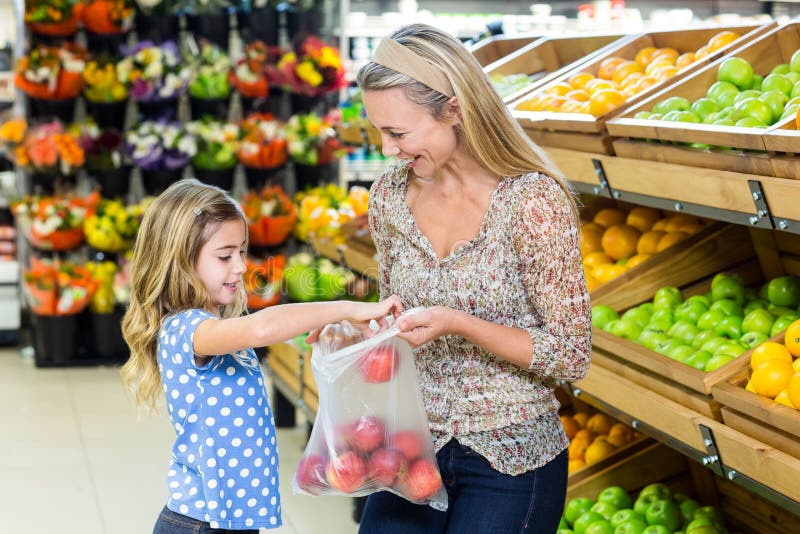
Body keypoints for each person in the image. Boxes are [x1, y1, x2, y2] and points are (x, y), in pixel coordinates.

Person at [356, 23, 592, 533]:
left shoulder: (532, 202)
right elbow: (394, 315)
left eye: (397, 132)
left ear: (454, 110)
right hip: (410, 448)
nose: (386, 149)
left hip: (511, 458)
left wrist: (456, 322)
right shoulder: (389, 198)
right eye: (377, 131)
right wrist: (362, 336)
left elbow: (571, 353)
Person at [121, 178, 403, 534]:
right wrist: (343, 309)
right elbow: (262, 328)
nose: (240, 266)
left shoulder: (217, 325)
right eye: (224, 256)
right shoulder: (185, 329)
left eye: (241, 251)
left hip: (230, 521)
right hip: (198, 524)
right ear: (179, 262)